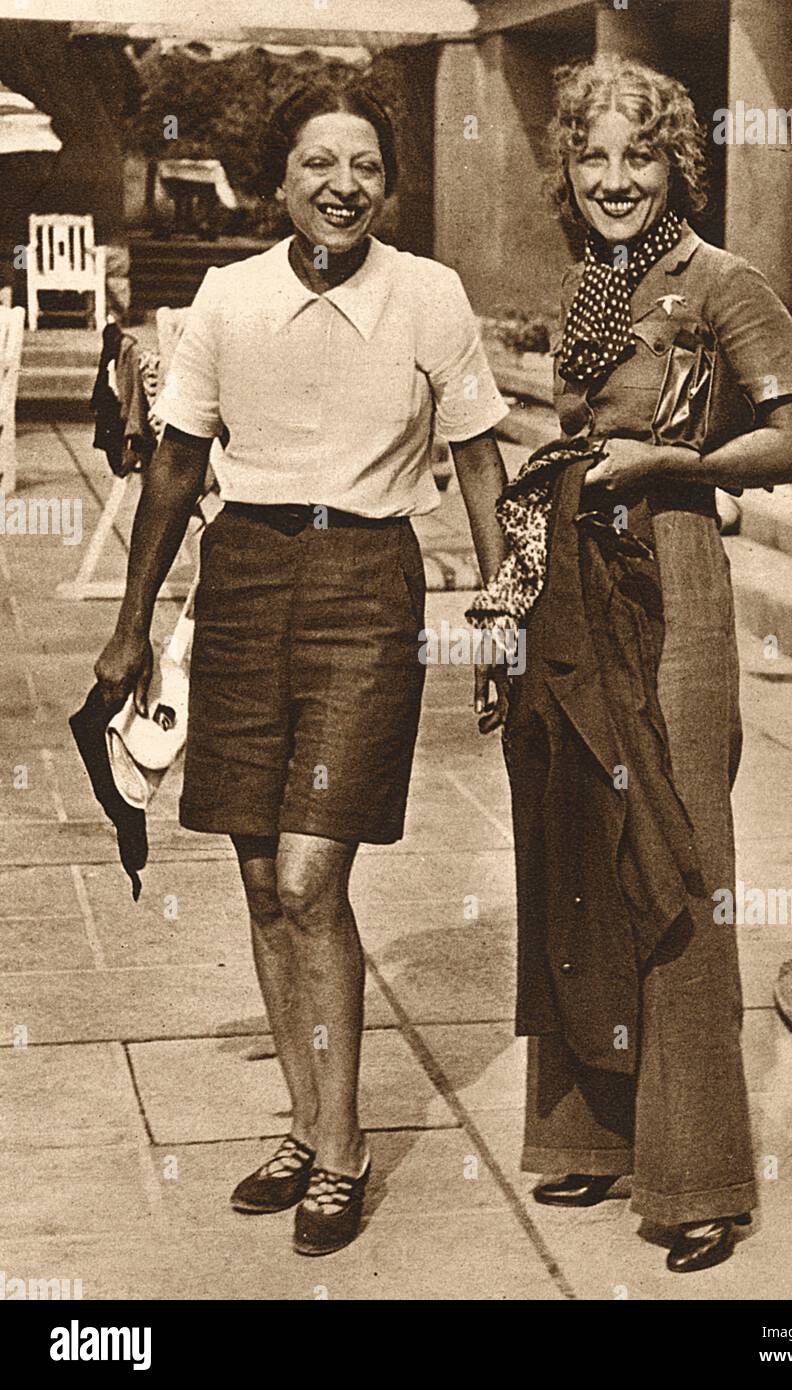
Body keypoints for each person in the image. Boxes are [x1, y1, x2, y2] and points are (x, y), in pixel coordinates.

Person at [94, 67, 510, 1257]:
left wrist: (505, 602)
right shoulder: (224, 298)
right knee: (257, 873)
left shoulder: (430, 296)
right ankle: (309, 1119)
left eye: (366, 166)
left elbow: (480, 461)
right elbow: (176, 464)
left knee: (310, 882)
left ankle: (343, 1150)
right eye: (319, 165)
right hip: (242, 587)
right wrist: (132, 623)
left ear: (389, 182)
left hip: (365, 590)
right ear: (277, 180)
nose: (343, 186)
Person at [505, 54, 792, 1274]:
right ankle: (588, 1136)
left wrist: (676, 467)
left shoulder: (724, 282)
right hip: (576, 591)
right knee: (583, 842)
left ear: (675, 164)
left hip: (673, 581)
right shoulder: (594, 280)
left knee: (677, 857)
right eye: (591, 157)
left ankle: (696, 1180)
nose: (613, 179)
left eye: (637, 155)